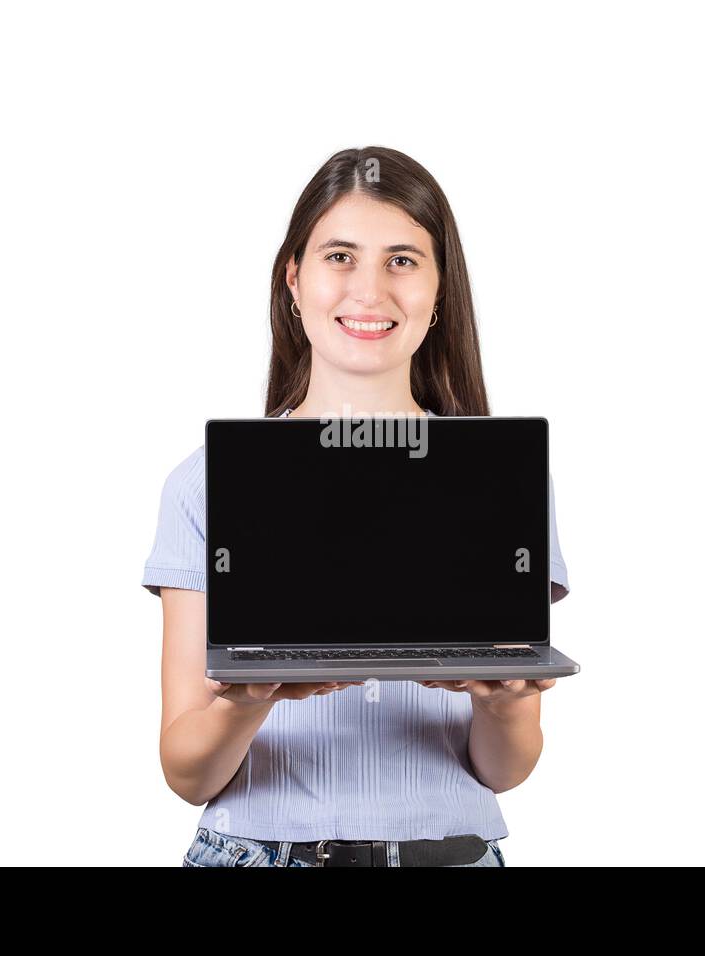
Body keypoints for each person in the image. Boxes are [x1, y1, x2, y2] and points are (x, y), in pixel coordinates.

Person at [143, 146, 571, 867]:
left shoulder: (499, 480)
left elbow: (507, 767)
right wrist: (248, 700)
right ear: (294, 279)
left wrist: (503, 703)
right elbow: (187, 772)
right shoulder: (207, 482)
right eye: (340, 256)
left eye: (402, 260)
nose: (369, 290)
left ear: (439, 293)